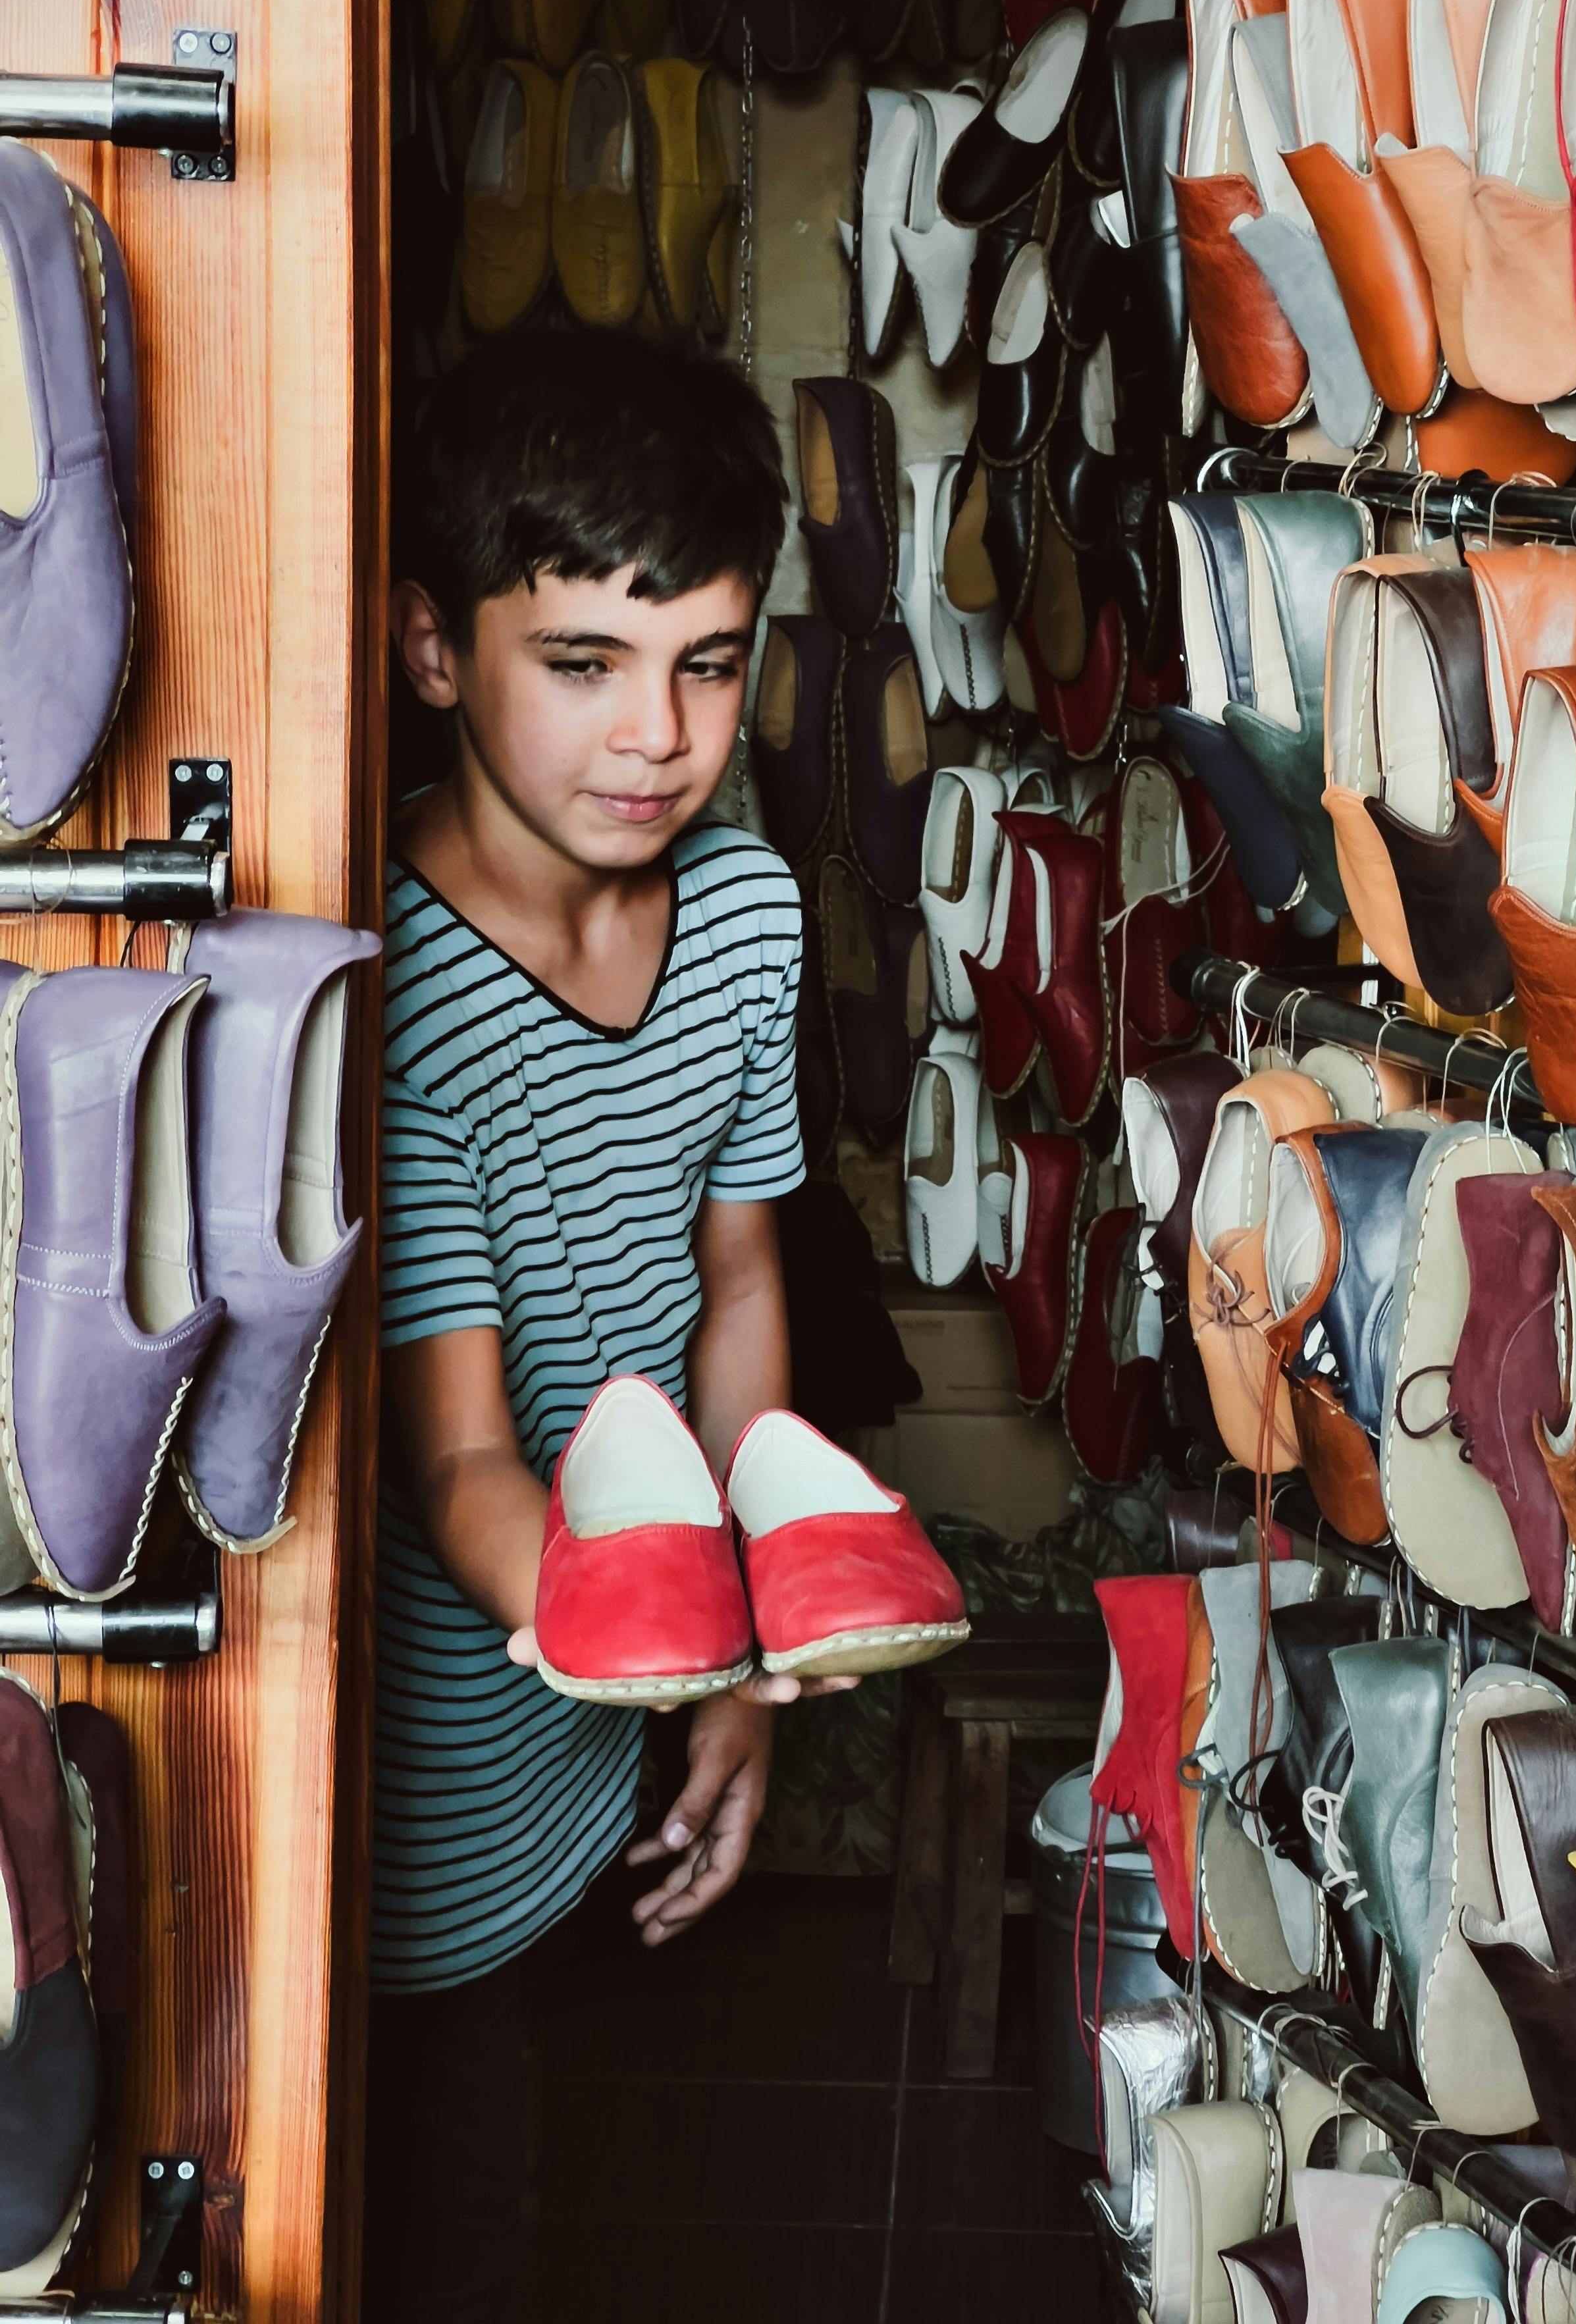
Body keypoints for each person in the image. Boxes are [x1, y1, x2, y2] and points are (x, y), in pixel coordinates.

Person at [363, 330, 845, 2319]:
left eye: (709, 662)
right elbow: (457, 1455)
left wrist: (739, 1661)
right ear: (433, 652)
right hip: (433, 1765)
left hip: (605, 1733)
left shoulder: (741, 905)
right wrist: (667, 1645)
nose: (658, 735)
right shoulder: (384, 988)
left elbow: (742, 1281)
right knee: (444, 2209)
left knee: (569, 2162)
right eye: (583, 664)